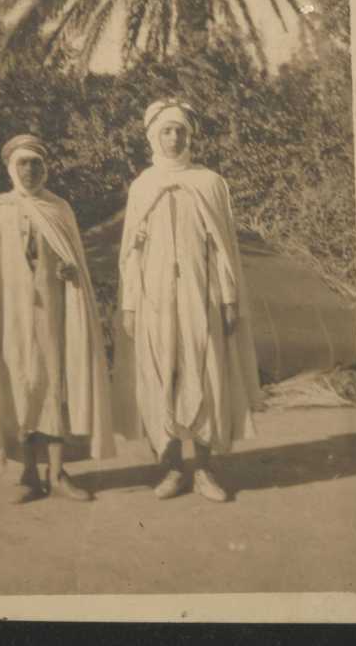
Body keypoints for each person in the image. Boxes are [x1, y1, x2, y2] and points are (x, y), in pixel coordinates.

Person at [0, 133, 115, 502]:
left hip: (51, 317)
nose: (29, 170)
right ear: (11, 168)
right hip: (7, 318)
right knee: (17, 389)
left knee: (52, 387)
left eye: (36, 163)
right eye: (23, 163)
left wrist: (69, 273)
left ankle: (57, 473)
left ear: (46, 168)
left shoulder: (59, 209)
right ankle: (28, 475)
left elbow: (74, 265)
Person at [116, 100, 262, 501]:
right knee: (163, 377)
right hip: (154, 299)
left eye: (180, 130)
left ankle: (203, 470)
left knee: (205, 374)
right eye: (167, 130)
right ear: (153, 136)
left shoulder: (209, 182)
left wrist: (229, 299)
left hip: (202, 296)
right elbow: (131, 252)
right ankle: (172, 469)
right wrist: (129, 305)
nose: (174, 137)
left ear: (190, 136)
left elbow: (223, 248)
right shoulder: (143, 186)